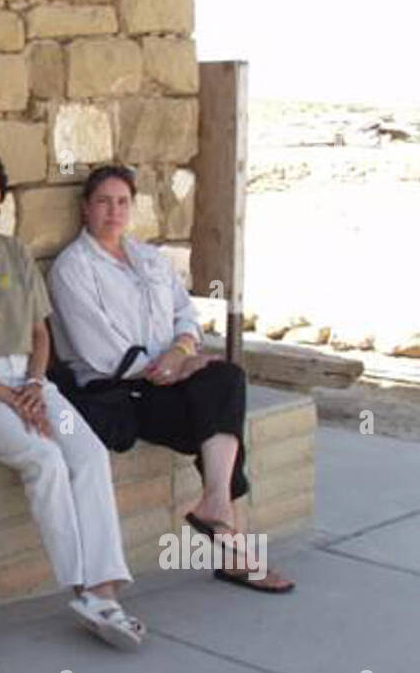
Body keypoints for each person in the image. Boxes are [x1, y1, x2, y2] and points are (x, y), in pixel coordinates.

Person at [0, 142, 146, 649]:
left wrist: (35, 386)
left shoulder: (14, 252)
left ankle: (105, 588)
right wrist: (11, 397)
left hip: (31, 380)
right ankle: (81, 588)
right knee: (43, 458)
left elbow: (41, 334)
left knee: (87, 453)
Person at [47, 164, 294, 592]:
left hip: (169, 374)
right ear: (86, 208)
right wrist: (171, 365)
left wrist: (182, 350)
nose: (114, 211)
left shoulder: (148, 257)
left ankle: (215, 502)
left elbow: (185, 314)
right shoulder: (73, 269)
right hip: (119, 390)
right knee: (214, 414)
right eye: (103, 201)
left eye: (122, 201)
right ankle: (232, 545)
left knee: (226, 382)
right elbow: (101, 350)